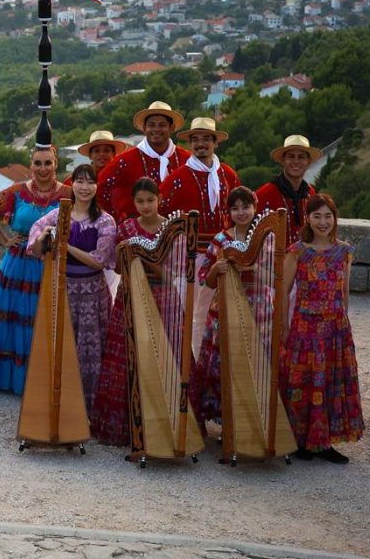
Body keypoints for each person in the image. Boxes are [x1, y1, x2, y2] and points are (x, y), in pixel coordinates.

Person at [0, 144, 71, 395]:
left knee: (47, 317)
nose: (43, 169)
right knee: (14, 316)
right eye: (38, 163)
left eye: (48, 163)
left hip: (52, 262)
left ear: (56, 164)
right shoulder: (16, 192)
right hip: (18, 263)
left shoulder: (69, 194)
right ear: (30, 165)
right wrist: (3, 239)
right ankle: (13, 377)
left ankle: (46, 377)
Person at [25, 164, 117, 412]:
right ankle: (59, 404)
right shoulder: (57, 216)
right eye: (80, 181)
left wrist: (65, 246)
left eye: (90, 182)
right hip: (62, 288)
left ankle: (89, 406)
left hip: (92, 293)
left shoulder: (105, 221)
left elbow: (98, 260)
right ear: (72, 184)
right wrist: (45, 236)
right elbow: (33, 247)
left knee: (90, 351)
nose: (84, 187)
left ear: (96, 187)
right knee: (59, 346)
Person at [280, 193, 363, 463]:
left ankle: (324, 442)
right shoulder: (297, 252)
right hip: (304, 328)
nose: (323, 221)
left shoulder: (345, 252)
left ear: (335, 218)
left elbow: (345, 291)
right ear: (308, 218)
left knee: (330, 383)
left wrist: (343, 324)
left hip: (335, 329)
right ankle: (301, 441)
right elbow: (282, 292)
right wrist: (283, 327)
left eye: (328, 216)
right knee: (301, 383)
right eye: (317, 216)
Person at [91, 177, 166, 445]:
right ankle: (125, 426)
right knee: (126, 354)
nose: (145, 206)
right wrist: (126, 254)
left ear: (159, 200)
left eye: (150, 200)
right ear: (133, 203)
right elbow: (119, 269)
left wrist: (144, 256)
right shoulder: (125, 228)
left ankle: (163, 426)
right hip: (130, 295)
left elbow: (170, 274)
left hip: (162, 296)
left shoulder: (170, 229)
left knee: (163, 356)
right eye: (140, 201)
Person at [161, 117, 241, 353]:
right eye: (195, 140)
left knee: (225, 314)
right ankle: (194, 368)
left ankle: (219, 367)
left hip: (226, 257)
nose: (201, 144)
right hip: (192, 258)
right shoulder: (176, 179)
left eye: (206, 139)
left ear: (216, 143)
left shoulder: (228, 175)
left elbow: (241, 212)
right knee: (196, 315)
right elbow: (162, 217)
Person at [190, 186, 262, 428]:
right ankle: (227, 421)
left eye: (246, 206)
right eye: (235, 208)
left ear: (255, 208)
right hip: (224, 309)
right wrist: (214, 270)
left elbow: (275, 273)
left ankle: (253, 419)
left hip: (258, 308)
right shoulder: (221, 240)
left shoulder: (266, 236)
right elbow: (204, 279)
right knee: (222, 366)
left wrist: (254, 270)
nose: (241, 212)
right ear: (229, 212)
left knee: (256, 363)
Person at [98, 101, 191, 222]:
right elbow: (100, 186)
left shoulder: (186, 158)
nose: (156, 129)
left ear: (171, 128)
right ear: (144, 128)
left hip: (177, 231)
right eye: (151, 125)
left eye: (162, 125)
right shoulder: (125, 159)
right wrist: (116, 217)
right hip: (135, 232)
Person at [256, 135, 322, 247]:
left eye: (301, 157)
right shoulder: (264, 194)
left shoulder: (310, 193)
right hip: (273, 263)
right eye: (291, 156)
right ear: (283, 160)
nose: (296, 161)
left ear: (308, 161)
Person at [71, 130, 129, 216]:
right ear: (90, 155)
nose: (101, 154)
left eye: (106, 151)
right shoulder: (76, 180)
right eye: (97, 151)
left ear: (114, 153)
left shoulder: (123, 179)